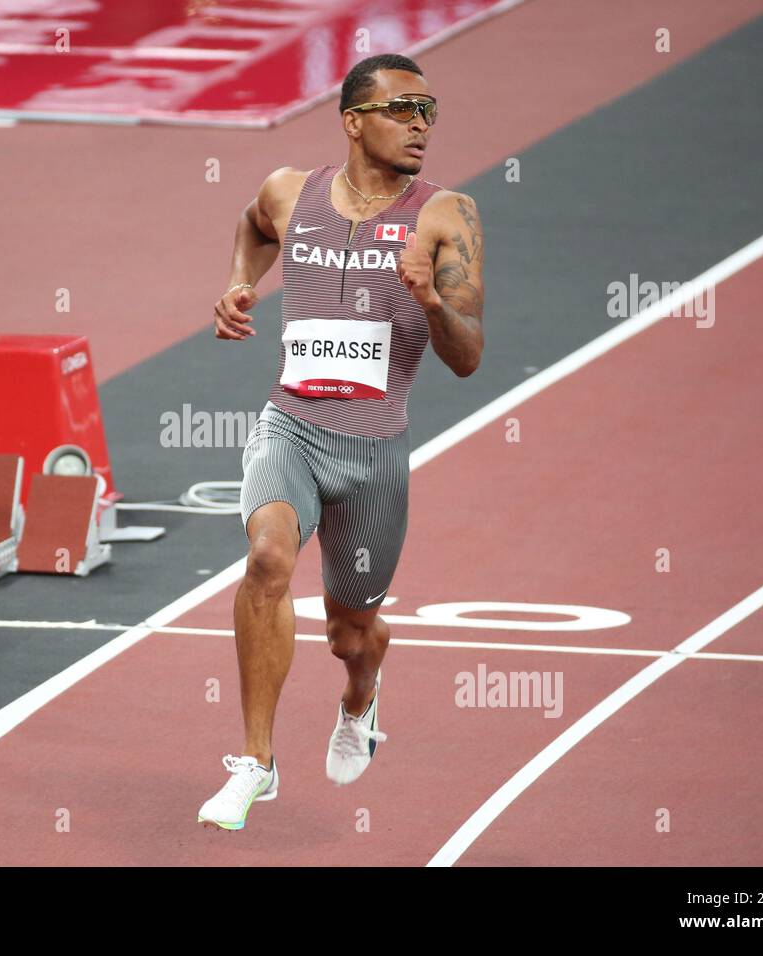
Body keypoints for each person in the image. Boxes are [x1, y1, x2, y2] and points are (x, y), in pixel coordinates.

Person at [197, 53, 485, 831]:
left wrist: (430, 301)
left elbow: (468, 357)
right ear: (354, 121)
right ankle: (256, 762)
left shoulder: (445, 216)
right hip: (289, 424)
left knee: (350, 634)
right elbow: (255, 228)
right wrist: (238, 283)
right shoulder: (289, 191)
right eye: (402, 110)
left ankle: (361, 701)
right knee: (266, 559)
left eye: (429, 111)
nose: (420, 125)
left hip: (373, 454)